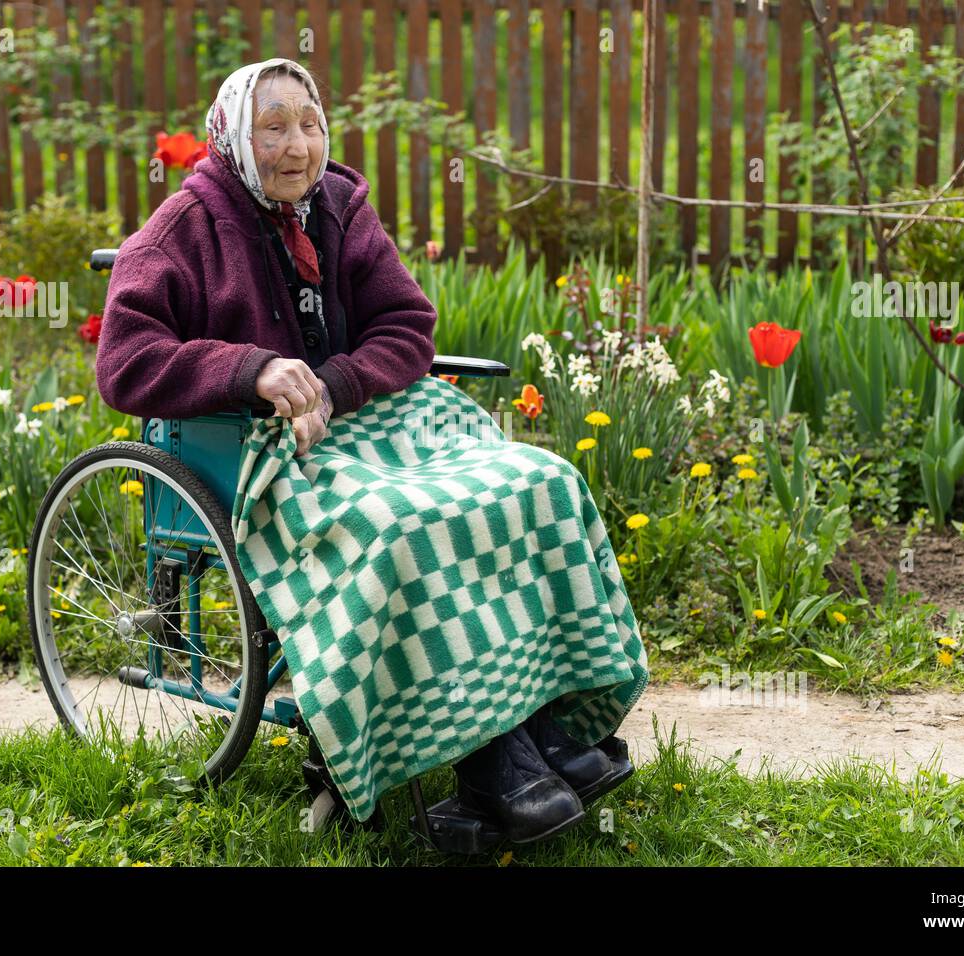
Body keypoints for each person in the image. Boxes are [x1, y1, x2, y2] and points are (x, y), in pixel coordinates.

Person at [96, 58, 641, 843]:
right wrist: (251, 370)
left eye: (311, 123)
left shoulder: (341, 206)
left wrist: (336, 383)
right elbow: (124, 360)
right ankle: (491, 759)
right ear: (233, 138)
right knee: (402, 524)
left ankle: (551, 724)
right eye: (274, 126)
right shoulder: (185, 227)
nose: (298, 146)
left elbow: (406, 326)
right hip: (261, 451)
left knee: (539, 481)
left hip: (372, 419)